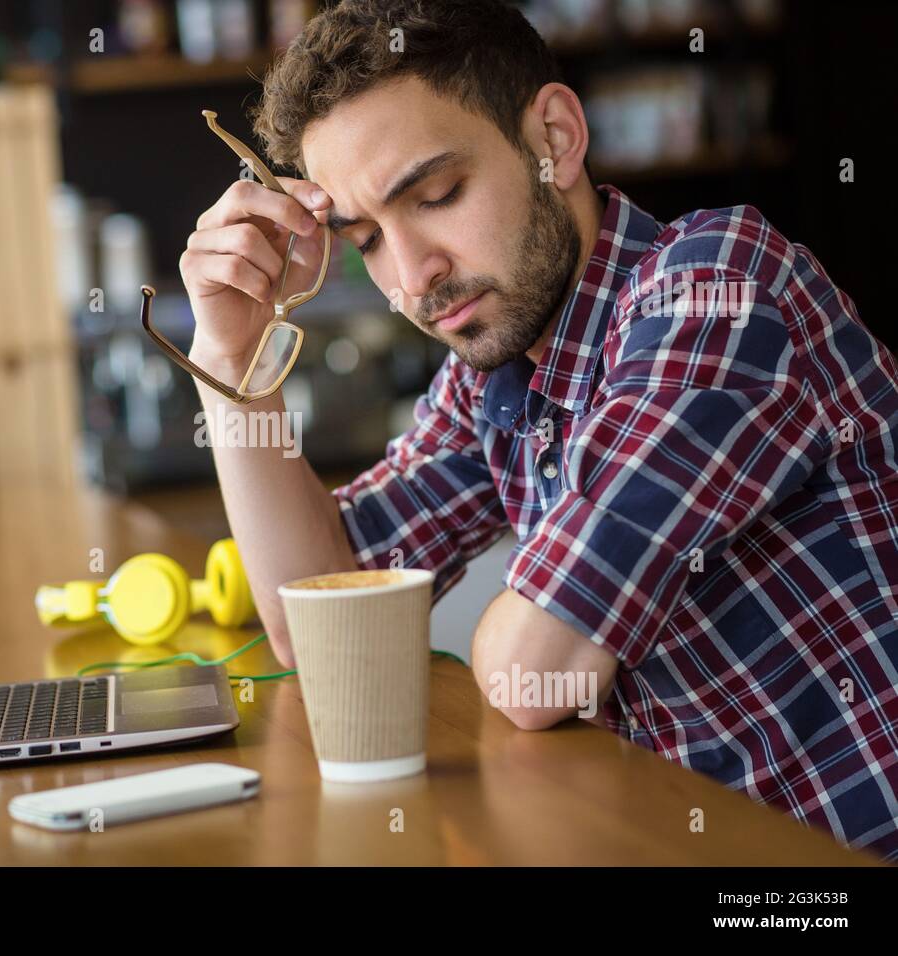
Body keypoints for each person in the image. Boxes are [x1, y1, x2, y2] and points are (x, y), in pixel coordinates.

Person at [178, 0, 898, 859]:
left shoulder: (718, 290)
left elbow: (531, 675)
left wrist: (515, 622)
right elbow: (320, 618)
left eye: (438, 195)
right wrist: (230, 360)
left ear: (553, 137)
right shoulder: (499, 369)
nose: (413, 279)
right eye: (366, 240)